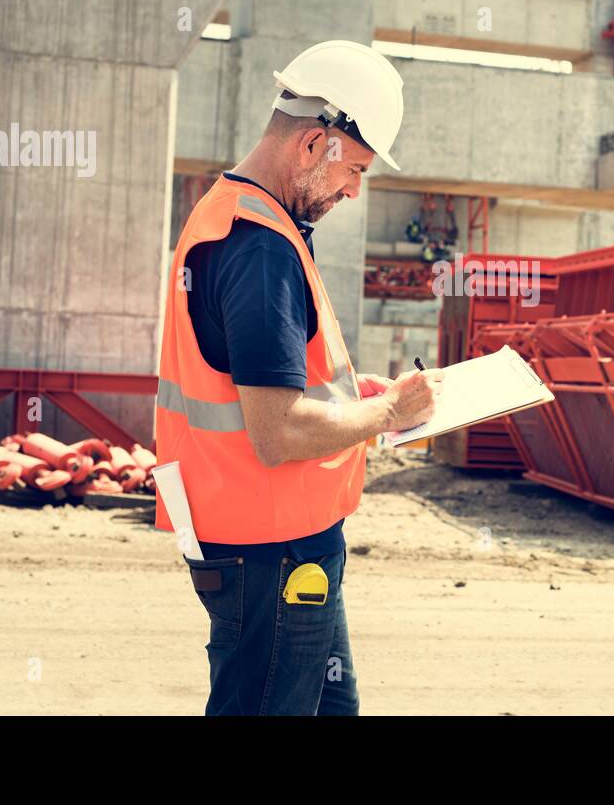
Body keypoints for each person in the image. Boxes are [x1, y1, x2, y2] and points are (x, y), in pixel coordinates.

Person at [154, 40, 444, 715]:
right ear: (314, 142)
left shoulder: (233, 212)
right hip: (271, 550)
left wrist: (358, 396)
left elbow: (266, 381)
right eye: (356, 170)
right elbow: (276, 431)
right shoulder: (261, 248)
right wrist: (390, 414)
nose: (353, 190)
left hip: (279, 540)